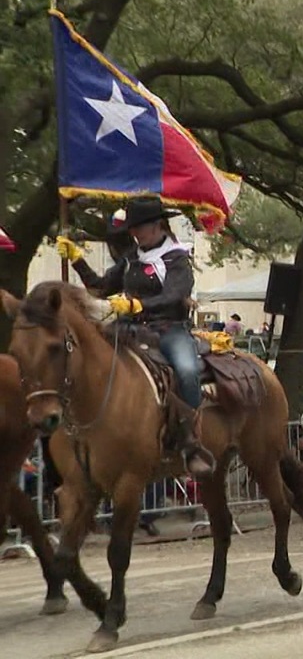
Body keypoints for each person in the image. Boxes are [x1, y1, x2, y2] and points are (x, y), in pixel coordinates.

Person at [55, 197, 215, 479]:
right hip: (128, 328)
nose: (134, 233)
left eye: (138, 227)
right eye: (132, 228)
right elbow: (101, 287)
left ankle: (191, 441)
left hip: (168, 330)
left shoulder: (177, 257)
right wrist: (77, 259)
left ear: (157, 226)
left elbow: (175, 294)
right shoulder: (131, 258)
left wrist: (138, 304)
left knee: (188, 371)